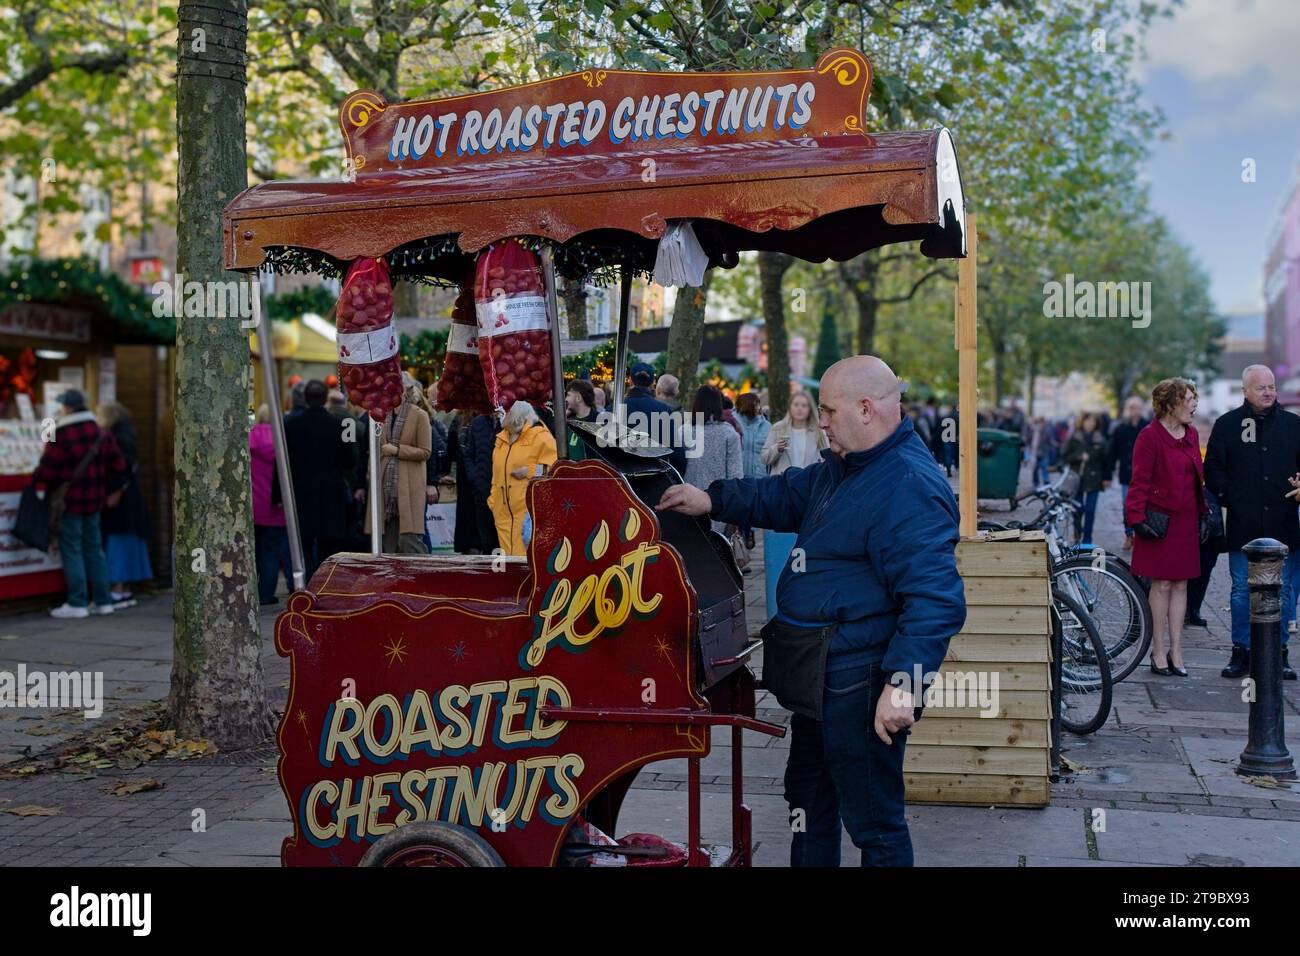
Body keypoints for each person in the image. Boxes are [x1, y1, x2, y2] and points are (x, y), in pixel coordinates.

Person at [657, 355, 965, 867]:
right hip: (818, 680)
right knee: (808, 803)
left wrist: (904, 683)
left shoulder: (908, 483)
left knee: (874, 824)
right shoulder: (843, 467)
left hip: (859, 682)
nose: (819, 420)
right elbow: (782, 494)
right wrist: (710, 499)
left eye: (828, 410)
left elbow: (935, 599)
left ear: (865, 409)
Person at [1204, 364, 1300, 680]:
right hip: (1244, 526)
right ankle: (1241, 652)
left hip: (1285, 525)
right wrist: (1233, 497)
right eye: (1262, 387)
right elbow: (1213, 470)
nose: (1269, 392)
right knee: (1242, 592)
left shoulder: (1293, 425)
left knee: (1283, 592)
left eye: (1271, 386)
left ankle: (1278, 654)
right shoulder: (1228, 425)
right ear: (1246, 390)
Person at [1125, 379, 1207, 677]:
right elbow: (1138, 483)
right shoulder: (1149, 437)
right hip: (1158, 522)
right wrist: (1136, 521)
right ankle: (1157, 650)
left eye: (1194, 398)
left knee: (1182, 584)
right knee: (1161, 585)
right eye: (1189, 399)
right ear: (1171, 404)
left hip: (1186, 520)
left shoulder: (1192, 433)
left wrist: (1204, 513)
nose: (1194, 404)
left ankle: (1177, 651)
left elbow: (1197, 479)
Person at [33, 389, 127, 619]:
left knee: (72, 549)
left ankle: (78, 602)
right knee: (94, 549)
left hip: (70, 501)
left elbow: (48, 469)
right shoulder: (101, 433)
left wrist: (37, 481)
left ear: (67, 408)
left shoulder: (61, 433)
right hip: (95, 500)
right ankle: (103, 601)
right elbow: (119, 465)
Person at [759, 390, 828, 616]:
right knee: (783, 539)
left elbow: (827, 456)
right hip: (784, 487)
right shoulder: (778, 428)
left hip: (810, 489)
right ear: (790, 407)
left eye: (804, 405)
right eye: (796, 404)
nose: (799, 409)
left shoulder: (817, 431)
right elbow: (764, 458)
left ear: (810, 409)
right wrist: (776, 450)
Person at [281, 379, 356, 579]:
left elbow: (281, 462)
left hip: (302, 492)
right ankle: (326, 583)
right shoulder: (339, 426)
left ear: (305, 398)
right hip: (331, 492)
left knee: (303, 544)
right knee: (329, 546)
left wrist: (278, 495)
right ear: (325, 399)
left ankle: (303, 583)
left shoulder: (290, 425)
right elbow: (349, 460)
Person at [365, 376, 432, 555]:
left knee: (409, 542)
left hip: (409, 485)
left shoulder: (420, 415)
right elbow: (376, 449)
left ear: (405, 390)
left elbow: (425, 451)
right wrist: (371, 472)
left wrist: (397, 450)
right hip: (384, 486)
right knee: (387, 546)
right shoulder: (381, 415)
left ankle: (422, 578)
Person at [97, 401, 152, 607]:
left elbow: (122, 469)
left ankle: (118, 588)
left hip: (121, 499)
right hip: (130, 499)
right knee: (127, 541)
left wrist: (114, 491)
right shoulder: (127, 433)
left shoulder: (118, 437)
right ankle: (125, 588)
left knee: (117, 541)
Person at [488, 401, 558, 556]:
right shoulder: (501, 439)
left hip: (527, 513)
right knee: (509, 567)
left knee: (526, 563)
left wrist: (530, 470)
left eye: (504, 411)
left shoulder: (541, 437)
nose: (499, 414)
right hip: (503, 514)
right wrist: (493, 501)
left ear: (516, 416)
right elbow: (496, 473)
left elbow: (555, 470)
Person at [683, 386, 743, 537]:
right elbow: (736, 475)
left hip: (687, 501)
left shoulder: (682, 432)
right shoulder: (729, 434)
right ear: (719, 405)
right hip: (719, 503)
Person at [250, 404, 291, 605]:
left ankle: (252, 590)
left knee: (254, 552)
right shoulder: (283, 440)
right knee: (271, 553)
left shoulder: (249, 438)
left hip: (254, 506)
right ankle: (267, 593)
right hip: (276, 508)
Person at [625, 362, 685, 473]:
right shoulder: (664, 410)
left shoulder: (613, 409)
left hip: (619, 480)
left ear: (630, 380)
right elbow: (676, 454)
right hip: (654, 478)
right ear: (653, 383)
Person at [1106, 396, 1149, 551]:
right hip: (1126, 474)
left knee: (1144, 506)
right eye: (1130, 407)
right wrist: (1107, 475)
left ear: (1141, 409)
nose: (1133, 410)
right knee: (1127, 506)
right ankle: (1129, 534)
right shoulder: (1121, 428)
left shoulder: (1148, 427)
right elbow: (1112, 452)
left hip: (1145, 475)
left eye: (1136, 407)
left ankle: (1141, 536)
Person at [1062, 412, 1109, 543]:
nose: (1090, 424)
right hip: (1077, 479)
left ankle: (1087, 538)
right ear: (1082, 422)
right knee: (1077, 509)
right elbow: (1065, 457)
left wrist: (1106, 478)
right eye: (1088, 421)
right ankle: (1077, 532)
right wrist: (1078, 456)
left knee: (1090, 510)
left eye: (1093, 421)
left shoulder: (1100, 439)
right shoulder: (1075, 437)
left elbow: (1106, 461)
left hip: (1095, 479)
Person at [1185, 484, 1225, 628]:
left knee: (1206, 563)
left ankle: (1194, 607)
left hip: (1212, 501)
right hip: (1187, 498)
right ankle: (1184, 606)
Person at [735, 392, 770, 550]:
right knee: (740, 507)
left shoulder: (766, 425)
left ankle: (748, 531)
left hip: (758, 473)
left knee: (752, 507)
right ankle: (743, 534)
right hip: (739, 472)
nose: (758, 407)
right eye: (756, 404)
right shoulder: (734, 422)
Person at [465, 410, 502, 553]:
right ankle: (491, 573)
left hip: (503, 490)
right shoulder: (477, 422)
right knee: (487, 540)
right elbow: (469, 453)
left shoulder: (509, 421)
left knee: (503, 538)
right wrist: (474, 477)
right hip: (482, 489)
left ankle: (504, 572)